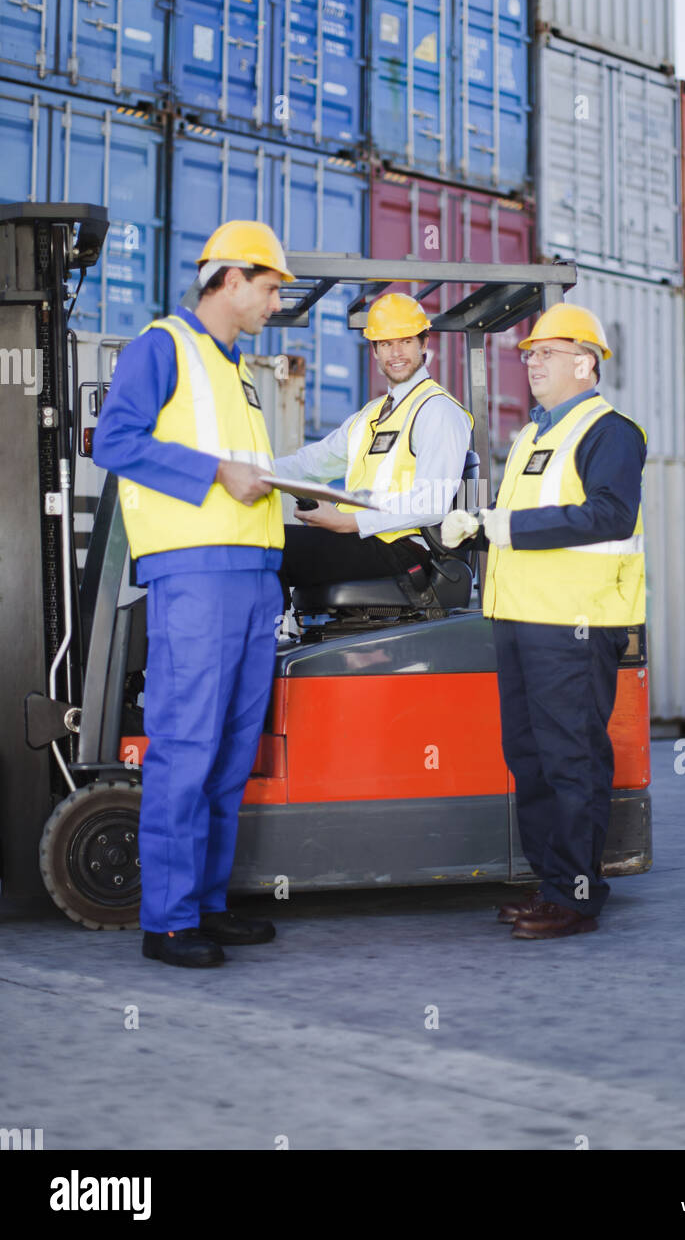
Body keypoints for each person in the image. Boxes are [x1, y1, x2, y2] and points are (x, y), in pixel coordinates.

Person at [92, 220, 294, 968]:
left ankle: (208, 903)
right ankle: (168, 920)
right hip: (197, 575)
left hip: (252, 575)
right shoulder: (163, 346)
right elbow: (113, 441)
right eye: (271, 289)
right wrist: (214, 472)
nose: (275, 304)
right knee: (187, 746)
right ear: (230, 279)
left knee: (233, 750)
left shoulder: (237, 369)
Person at [442, 304, 647, 941]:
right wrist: (473, 533)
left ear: (586, 363)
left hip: (575, 624)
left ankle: (577, 896)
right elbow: (526, 527)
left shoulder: (609, 432)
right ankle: (552, 880)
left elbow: (609, 515)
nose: (532, 363)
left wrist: (497, 525)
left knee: (571, 760)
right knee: (529, 758)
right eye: (528, 354)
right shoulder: (533, 435)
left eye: (547, 353)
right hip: (522, 619)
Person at [273, 292, 473, 611]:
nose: (395, 353)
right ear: (375, 352)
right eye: (384, 344)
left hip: (401, 547)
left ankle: (261, 645)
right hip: (361, 540)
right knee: (260, 542)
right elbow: (312, 463)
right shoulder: (370, 415)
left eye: (405, 341)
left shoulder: (438, 410)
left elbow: (432, 502)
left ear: (424, 343)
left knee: (269, 549)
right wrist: (256, 472)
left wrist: (348, 522)